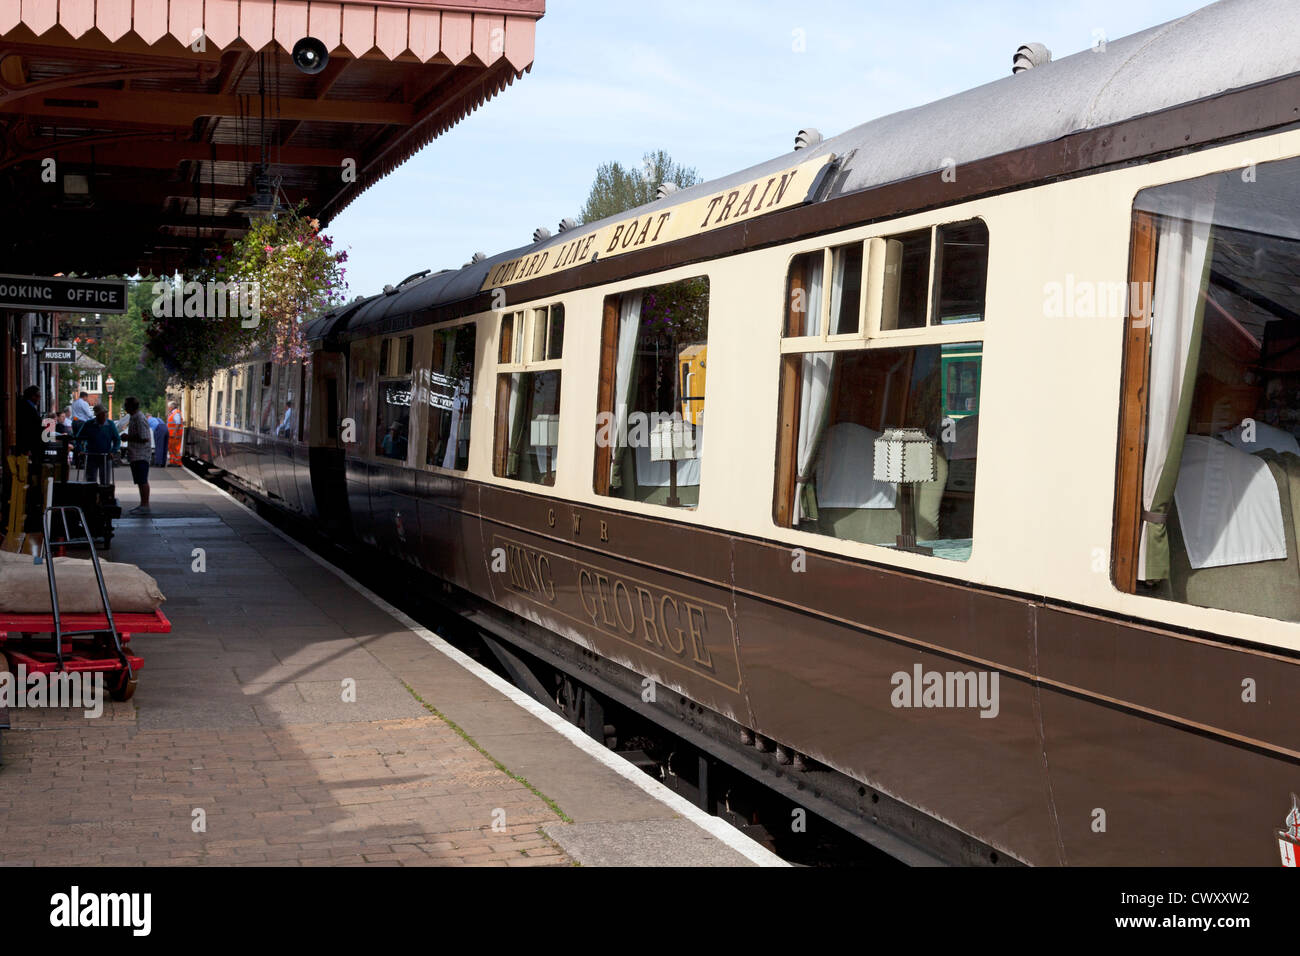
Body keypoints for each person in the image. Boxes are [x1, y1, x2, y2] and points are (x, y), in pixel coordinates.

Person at [123, 397, 152, 514]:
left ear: (131, 406)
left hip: (141, 454)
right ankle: (143, 504)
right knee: (140, 480)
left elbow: (144, 437)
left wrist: (127, 437)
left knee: (142, 480)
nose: (125, 408)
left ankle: (145, 505)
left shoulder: (139, 418)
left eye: (126, 405)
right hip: (136, 454)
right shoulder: (134, 417)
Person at [78, 404, 120, 485]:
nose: (104, 417)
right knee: (90, 481)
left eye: (105, 414)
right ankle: (92, 496)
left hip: (106, 456)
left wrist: (113, 451)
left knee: (105, 481)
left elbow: (117, 439)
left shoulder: (110, 424)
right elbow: (78, 438)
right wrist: (80, 450)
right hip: (91, 455)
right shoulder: (88, 424)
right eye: (101, 415)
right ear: (96, 415)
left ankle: (104, 496)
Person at [167, 401, 184, 466]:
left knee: (175, 449)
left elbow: (178, 423)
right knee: (171, 448)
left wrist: (174, 432)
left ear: (172, 407)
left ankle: (177, 462)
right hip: (172, 435)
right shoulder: (173, 413)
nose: (168, 408)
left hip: (175, 435)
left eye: (169, 407)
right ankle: (173, 462)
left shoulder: (176, 413)